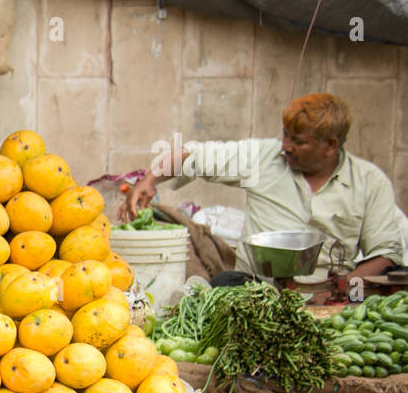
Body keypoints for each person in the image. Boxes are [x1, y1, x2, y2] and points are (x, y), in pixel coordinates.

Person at [120, 93, 403, 287]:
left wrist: (344, 287)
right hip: (256, 289)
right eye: (285, 135)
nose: (285, 146)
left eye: (298, 141)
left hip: (328, 296)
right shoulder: (263, 158)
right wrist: (149, 180)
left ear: (330, 145)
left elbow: (385, 253)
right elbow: (192, 155)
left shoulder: (369, 182)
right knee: (221, 287)